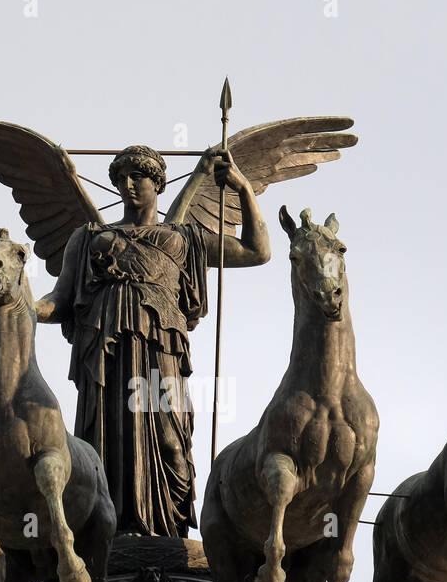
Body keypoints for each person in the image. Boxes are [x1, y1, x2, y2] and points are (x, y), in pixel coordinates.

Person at [35, 145, 270, 538]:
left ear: (158, 182)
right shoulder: (90, 237)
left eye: (137, 177)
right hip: (106, 358)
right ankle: (106, 533)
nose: (128, 186)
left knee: (170, 445)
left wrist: (242, 187)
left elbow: (256, 251)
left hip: (162, 354)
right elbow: (58, 301)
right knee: (104, 444)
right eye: (121, 179)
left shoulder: (185, 239)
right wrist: (16, 304)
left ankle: (169, 533)